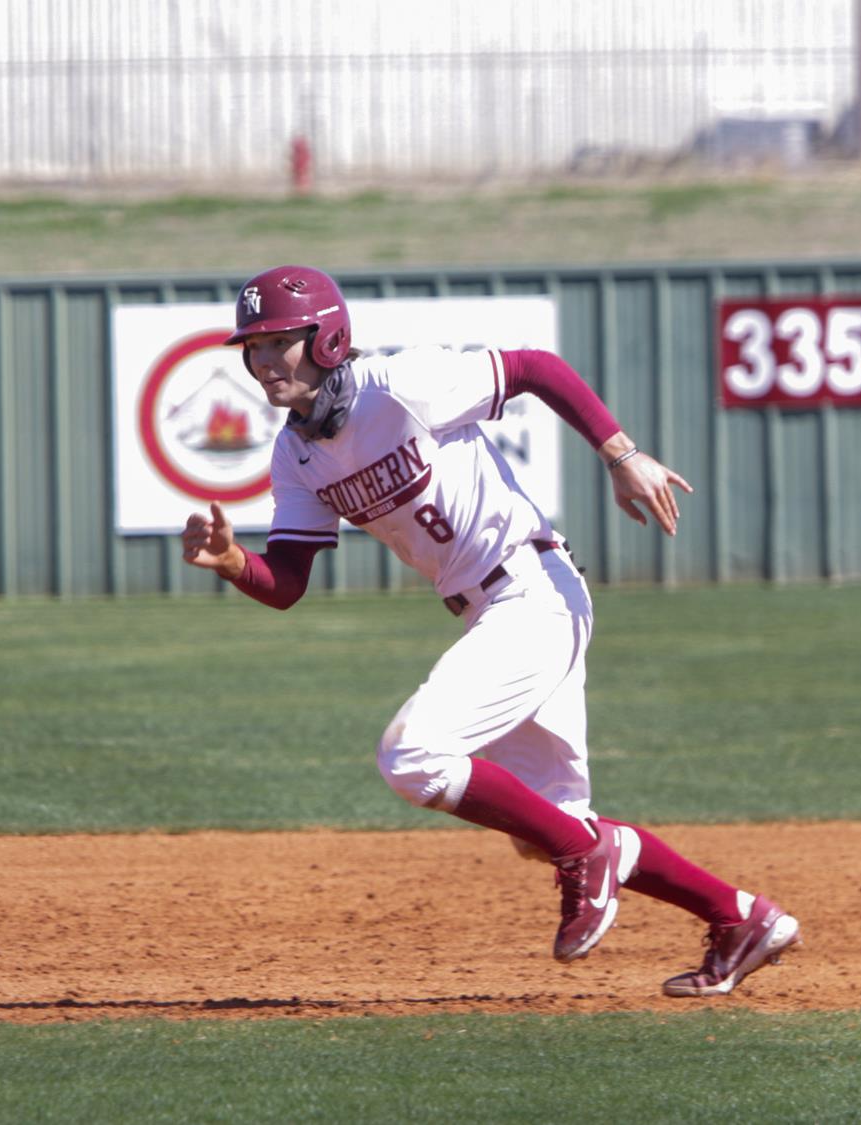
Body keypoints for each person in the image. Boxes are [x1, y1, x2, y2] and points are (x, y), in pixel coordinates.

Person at [180, 265, 801, 997]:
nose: (261, 361)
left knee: (412, 756)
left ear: (329, 338)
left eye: (278, 342)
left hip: (533, 592)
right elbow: (286, 581)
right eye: (251, 347)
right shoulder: (297, 453)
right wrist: (229, 561)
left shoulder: (397, 387)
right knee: (548, 830)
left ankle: (585, 856)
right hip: (493, 610)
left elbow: (535, 368)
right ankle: (739, 917)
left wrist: (622, 455)